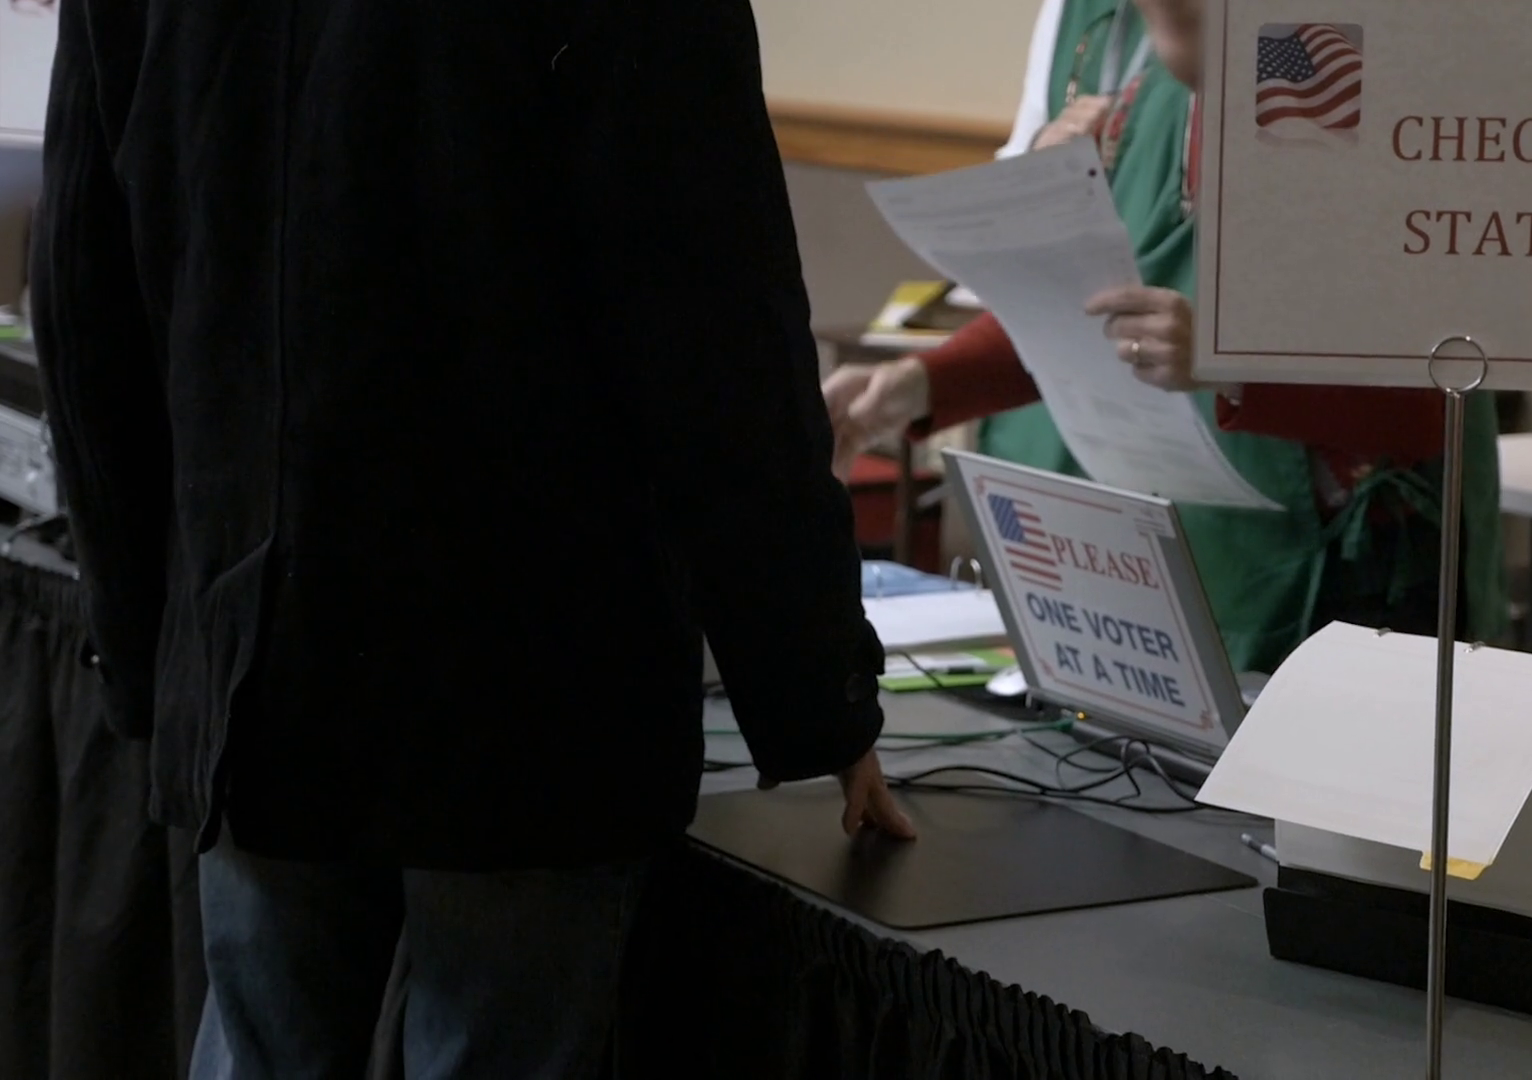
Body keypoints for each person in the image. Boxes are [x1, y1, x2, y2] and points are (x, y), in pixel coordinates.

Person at [30, 1, 913, 1077]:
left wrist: (144, 649)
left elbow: (83, 292)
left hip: (255, 646)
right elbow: (717, 331)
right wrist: (820, 692)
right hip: (529, 683)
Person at [826, 0, 1506, 670]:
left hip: (1347, 596)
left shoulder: (1359, 81)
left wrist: (1232, 360)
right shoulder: (1144, 96)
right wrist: (917, 385)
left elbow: (1433, 397)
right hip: (1191, 573)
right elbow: (1098, 306)